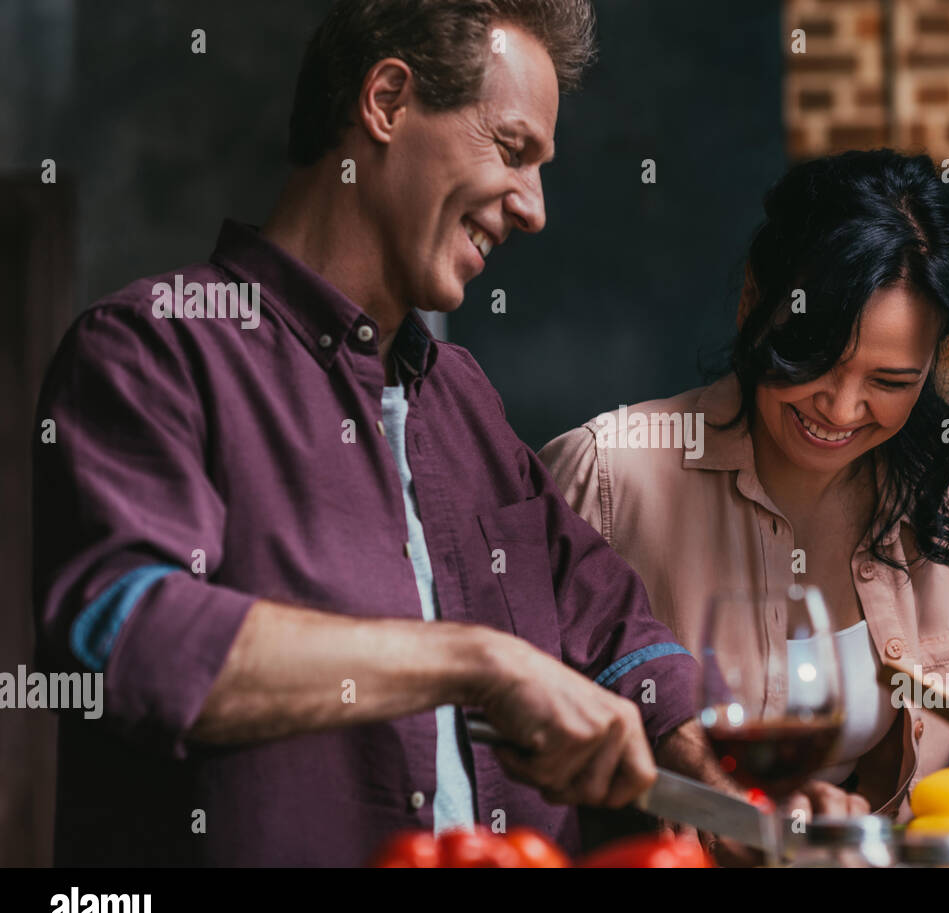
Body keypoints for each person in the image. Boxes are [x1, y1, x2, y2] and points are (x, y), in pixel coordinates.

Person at [32, 0, 731, 866]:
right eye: (513, 150)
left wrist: (697, 757)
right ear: (389, 101)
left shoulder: (465, 399)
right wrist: (474, 661)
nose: (535, 207)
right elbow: (134, 641)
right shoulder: (149, 350)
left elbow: (606, 614)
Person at [541, 149, 949, 815]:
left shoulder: (943, 507)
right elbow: (504, 738)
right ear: (753, 303)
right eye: (817, 358)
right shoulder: (610, 477)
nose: (842, 409)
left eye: (890, 382)